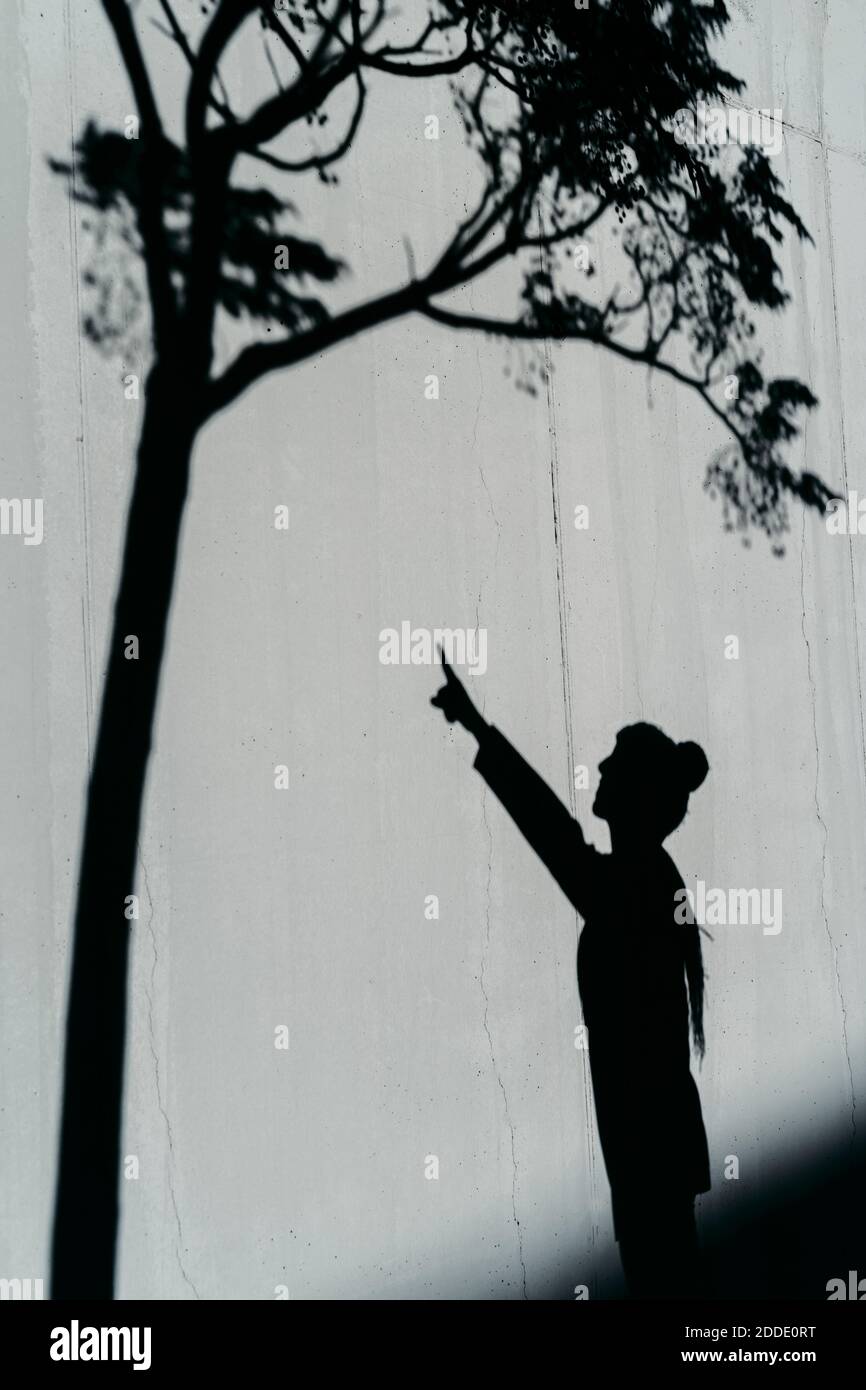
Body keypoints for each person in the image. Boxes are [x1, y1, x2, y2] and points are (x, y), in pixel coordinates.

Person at [431, 654, 711, 1298]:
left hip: (649, 1159)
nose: (604, 766)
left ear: (637, 793)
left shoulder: (636, 884)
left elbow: (557, 839)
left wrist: (479, 729)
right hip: (650, 1158)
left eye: (617, 760)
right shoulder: (646, 880)